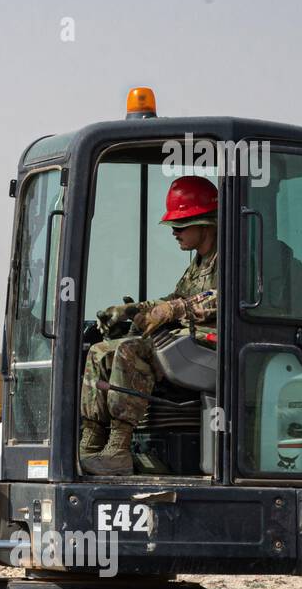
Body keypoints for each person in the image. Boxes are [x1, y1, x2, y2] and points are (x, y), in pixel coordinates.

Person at [80, 175, 219, 476]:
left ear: (205, 221)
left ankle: (118, 447)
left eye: (179, 226)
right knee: (100, 352)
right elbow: (174, 298)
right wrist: (132, 310)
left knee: (132, 350)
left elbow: (226, 299)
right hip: (192, 343)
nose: (174, 233)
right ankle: (92, 442)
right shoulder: (198, 264)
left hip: (216, 345)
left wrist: (173, 309)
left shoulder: (231, 258)